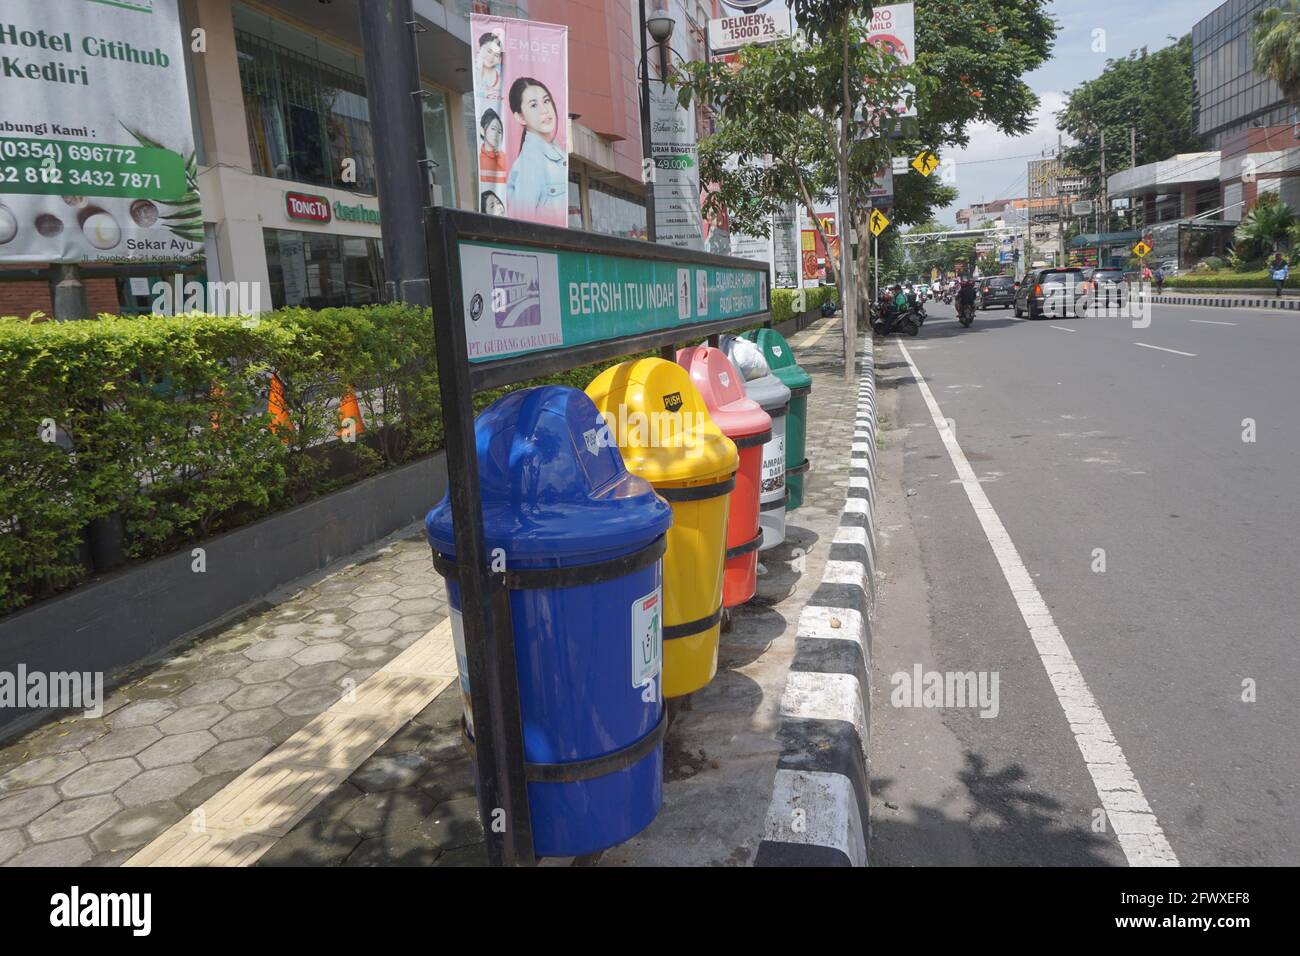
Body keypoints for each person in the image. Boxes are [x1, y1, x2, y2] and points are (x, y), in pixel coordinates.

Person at [505, 76, 567, 223]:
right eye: (534, 105)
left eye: (546, 101)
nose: (545, 110)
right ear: (520, 117)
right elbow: (521, 227)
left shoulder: (557, 155)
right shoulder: (529, 164)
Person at [478, 109, 507, 185]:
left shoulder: (505, 158)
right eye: (493, 129)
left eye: (500, 131)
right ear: (482, 130)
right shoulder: (478, 160)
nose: (496, 134)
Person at [476, 32, 503, 101]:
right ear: (479, 47)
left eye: (496, 55)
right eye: (489, 51)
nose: (491, 57)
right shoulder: (475, 71)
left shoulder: (502, 76)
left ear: (500, 59)